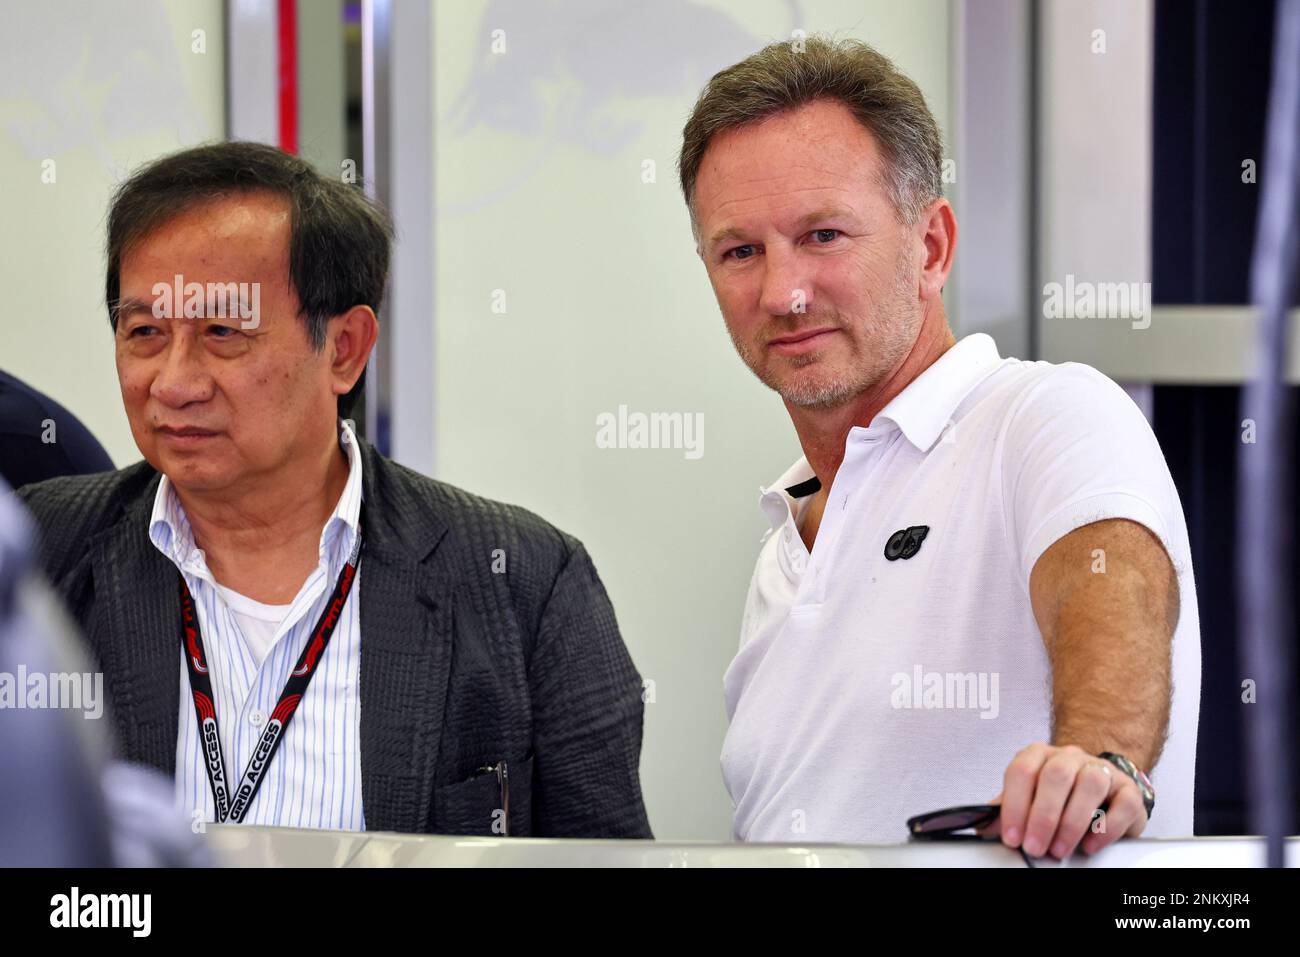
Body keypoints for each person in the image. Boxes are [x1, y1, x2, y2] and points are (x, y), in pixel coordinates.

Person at [15, 141, 651, 838]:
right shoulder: (38, 561)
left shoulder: (522, 581)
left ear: (344, 348)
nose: (172, 382)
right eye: (144, 332)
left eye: (222, 332)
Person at [679, 36, 1199, 857]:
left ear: (931, 248)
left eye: (823, 235)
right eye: (741, 251)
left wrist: (1099, 760)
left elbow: (1112, 579)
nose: (783, 292)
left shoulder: (1045, 415)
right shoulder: (784, 545)